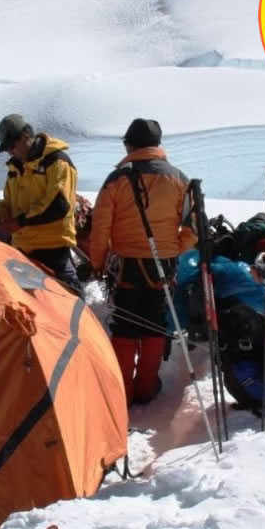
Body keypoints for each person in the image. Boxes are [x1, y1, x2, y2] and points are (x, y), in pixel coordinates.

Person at [90, 119, 196, 405]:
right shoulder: (180, 179)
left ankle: (122, 392)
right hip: (163, 265)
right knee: (154, 324)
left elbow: (100, 227)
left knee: (125, 325)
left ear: (130, 144)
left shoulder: (116, 180)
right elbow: (194, 228)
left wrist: (98, 262)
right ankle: (146, 388)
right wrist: (173, 249)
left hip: (126, 264)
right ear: (157, 145)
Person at [0, 113, 82, 294]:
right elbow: (8, 203)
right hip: (23, 249)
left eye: (11, 146)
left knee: (69, 298)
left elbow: (58, 205)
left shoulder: (57, 162)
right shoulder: (16, 169)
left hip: (53, 248)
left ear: (25, 137)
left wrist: (19, 222)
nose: (10, 152)